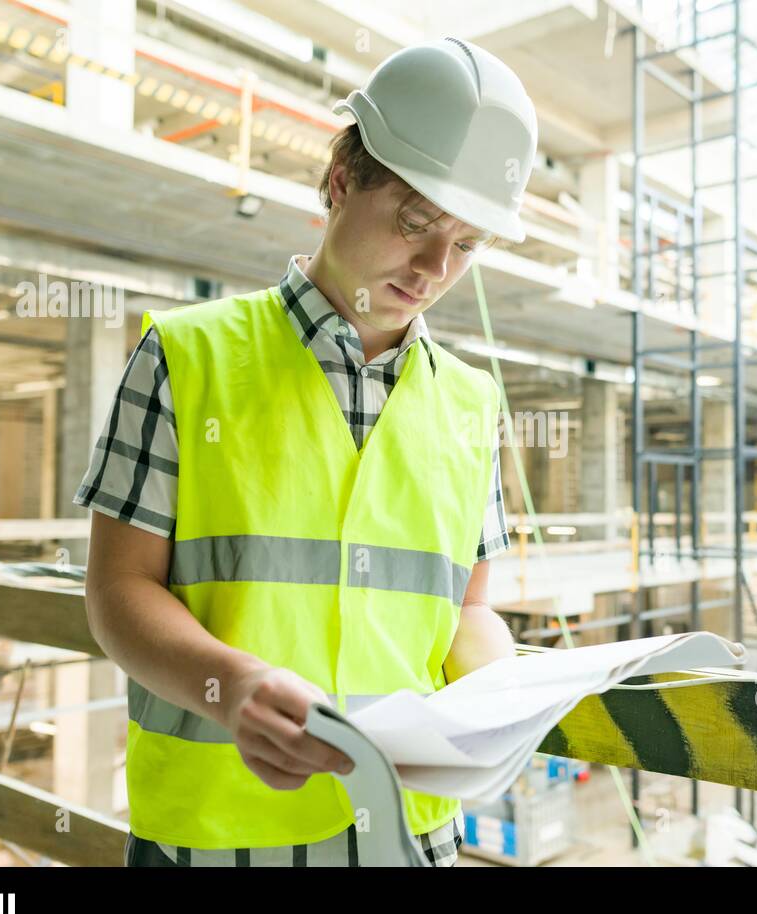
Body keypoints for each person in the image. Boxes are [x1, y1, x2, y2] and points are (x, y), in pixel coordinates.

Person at [75, 37, 539, 867]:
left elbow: (465, 610)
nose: (435, 266)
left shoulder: (472, 401)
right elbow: (118, 591)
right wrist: (231, 688)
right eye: (415, 221)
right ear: (338, 182)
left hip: (409, 831)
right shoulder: (186, 357)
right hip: (216, 835)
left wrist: (506, 694)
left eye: (467, 244)